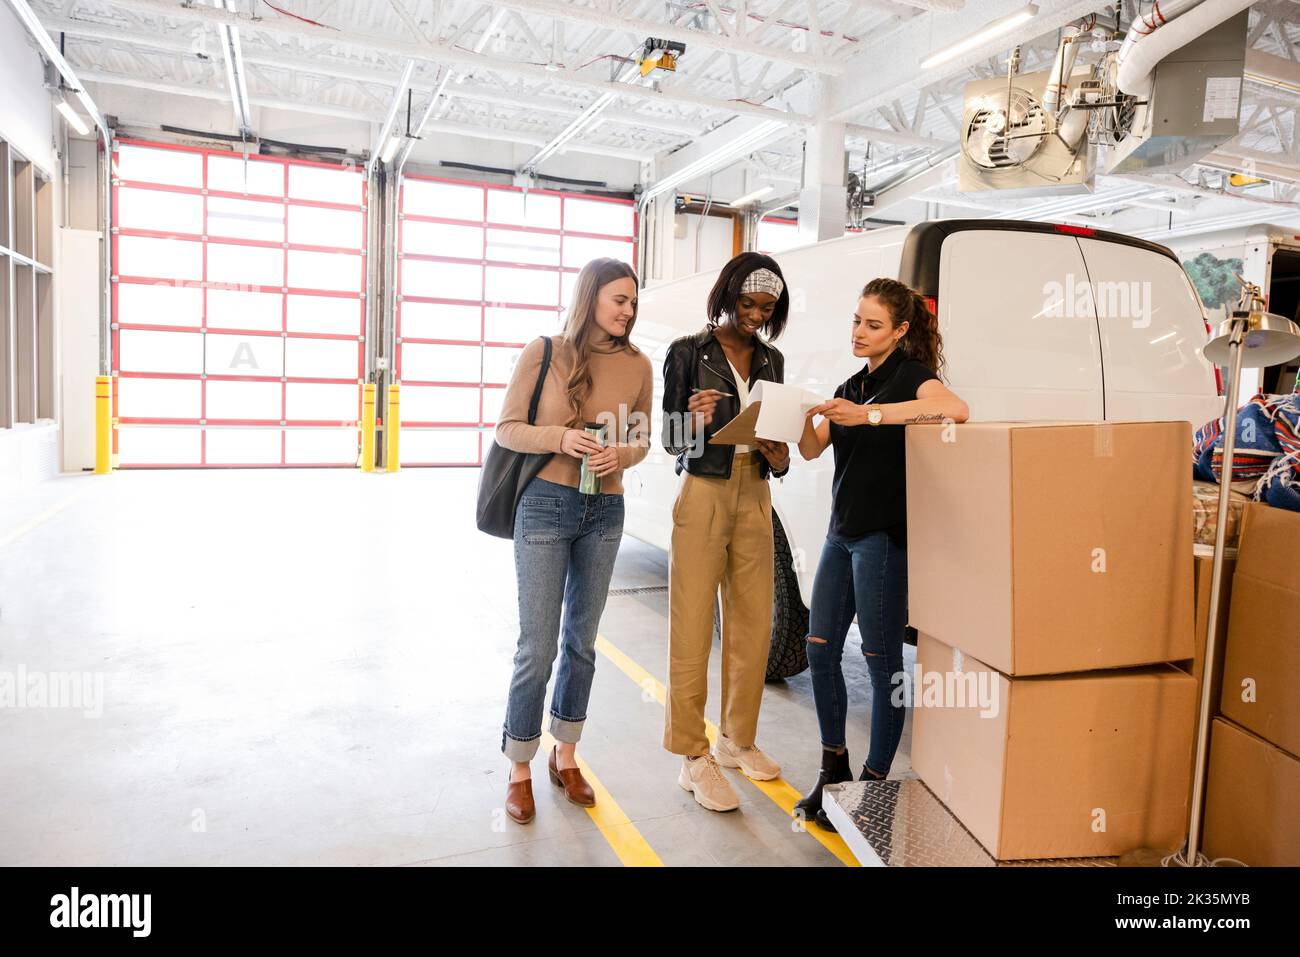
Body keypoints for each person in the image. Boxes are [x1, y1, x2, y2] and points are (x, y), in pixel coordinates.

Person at [793, 277, 969, 831]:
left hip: (883, 541)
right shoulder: (852, 382)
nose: (860, 333)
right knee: (819, 650)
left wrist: (869, 415)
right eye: (856, 322)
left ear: (899, 330)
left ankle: (873, 782)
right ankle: (834, 767)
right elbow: (811, 449)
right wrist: (804, 414)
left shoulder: (915, 379)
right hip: (839, 535)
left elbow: (956, 411)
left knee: (881, 662)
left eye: (873, 325)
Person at [494, 258, 652, 825]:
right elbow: (506, 428)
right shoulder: (544, 352)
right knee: (537, 647)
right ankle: (518, 765)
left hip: (605, 508)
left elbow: (642, 438)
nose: (628, 311)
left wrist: (622, 454)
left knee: (582, 642)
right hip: (545, 504)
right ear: (590, 299)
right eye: (619, 300)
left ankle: (566, 755)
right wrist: (560, 436)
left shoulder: (638, 365)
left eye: (633, 302)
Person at [660, 252, 793, 812]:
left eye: (767, 308)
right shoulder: (688, 352)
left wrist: (776, 451)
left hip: (755, 490)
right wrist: (692, 417)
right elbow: (670, 441)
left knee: (753, 622)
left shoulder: (772, 359)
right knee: (692, 623)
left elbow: (781, 444)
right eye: (748, 304)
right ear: (727, 296)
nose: (756, 316)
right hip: (706, 489)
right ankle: (694, 755)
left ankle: (738, 739)